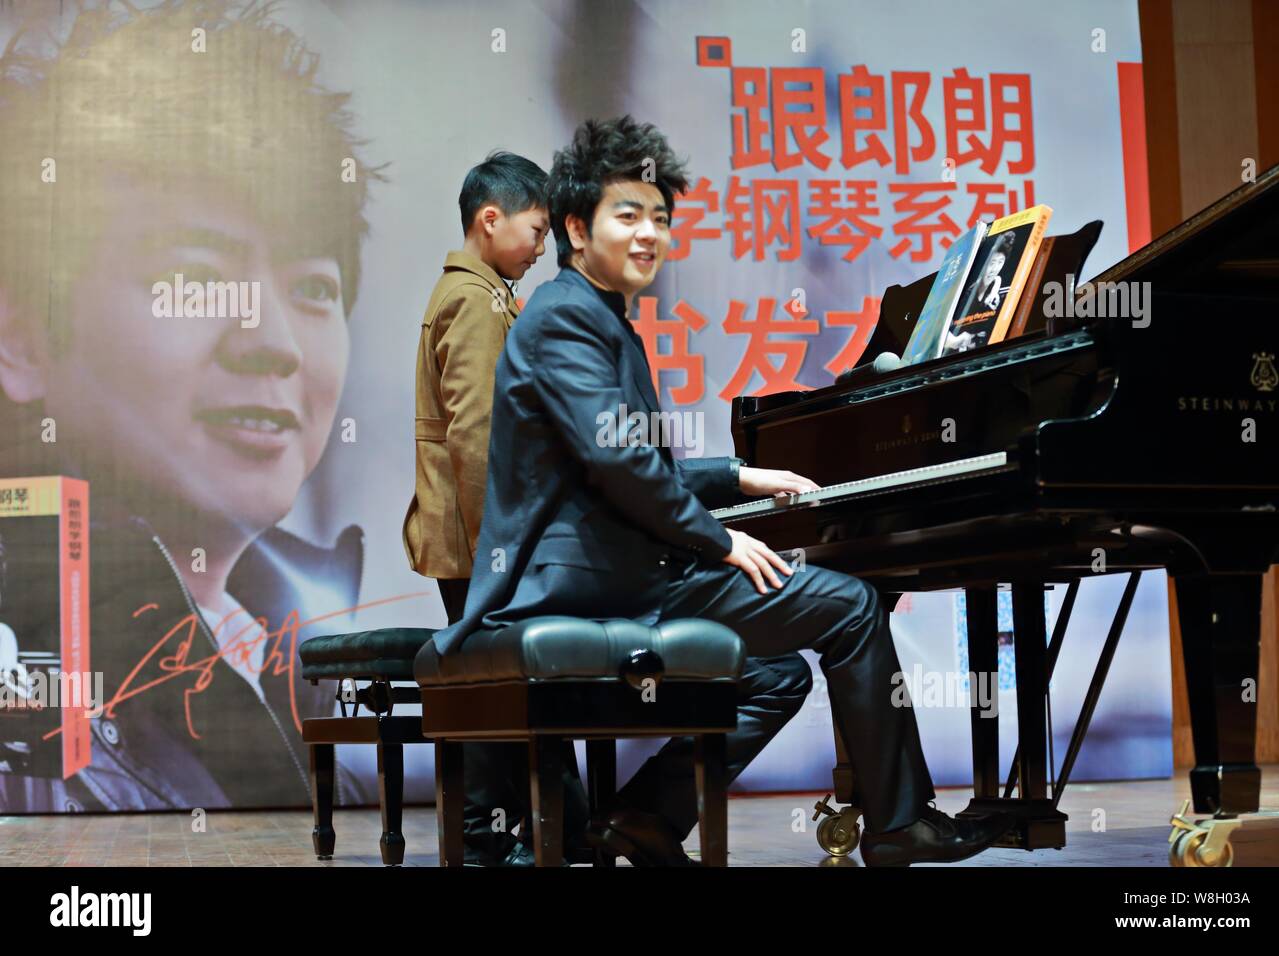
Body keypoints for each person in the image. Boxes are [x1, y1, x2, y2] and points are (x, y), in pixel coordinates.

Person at [418, 115, 1011, 866]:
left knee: (774, 674)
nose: (648, 235)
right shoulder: (566, 319)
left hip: (617, 575)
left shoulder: (592, 315)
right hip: (598, 586)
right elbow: (622, 467)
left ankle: (641, 817)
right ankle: (900, 827)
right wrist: (723, 538)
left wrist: (736, 475)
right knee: (854, 608)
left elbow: (628, 461)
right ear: (575, 226)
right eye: (626, 215)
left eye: (660, 219)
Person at [0, 0, 382, 810]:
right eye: (198, 280)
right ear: (22, 342)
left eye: (314, 288)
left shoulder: (305, 665)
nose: (273, 341)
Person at [403, 150, 576, 865]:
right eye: (536, 231)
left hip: (479, 540)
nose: (541, 249)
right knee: (493, 691)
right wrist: (502, 551)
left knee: (494, 687)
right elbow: (477, 438)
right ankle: (482, 840)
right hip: (481, 541)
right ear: (490, 218)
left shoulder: (481, 293)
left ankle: (514, 836)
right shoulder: (473, 302)